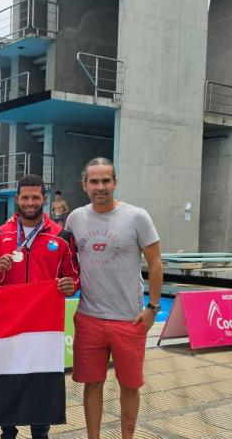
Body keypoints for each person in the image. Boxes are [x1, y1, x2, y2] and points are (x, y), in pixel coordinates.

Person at [66, 158, 163, 439]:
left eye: (105, 180)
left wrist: (153, 308)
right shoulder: (75, 218)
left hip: (128, 319)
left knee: (129, 386)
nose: (100, 187)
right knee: (92, 385)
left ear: (115, 183)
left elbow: (156, 262)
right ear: (84, 185)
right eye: (94, 181)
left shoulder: (136, 217)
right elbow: (65, 261)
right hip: (89, 318)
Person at [0, 174, 79, 439]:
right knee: (7, 381)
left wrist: (72, 285)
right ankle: (7, 432)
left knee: (41, 383)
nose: (30, 202)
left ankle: (40, 433)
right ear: (17, 200)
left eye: (35, 197)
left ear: (44, 200)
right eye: (25, 197)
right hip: (8, 325)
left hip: (43, 327)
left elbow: (74, 275)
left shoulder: (63, 236)